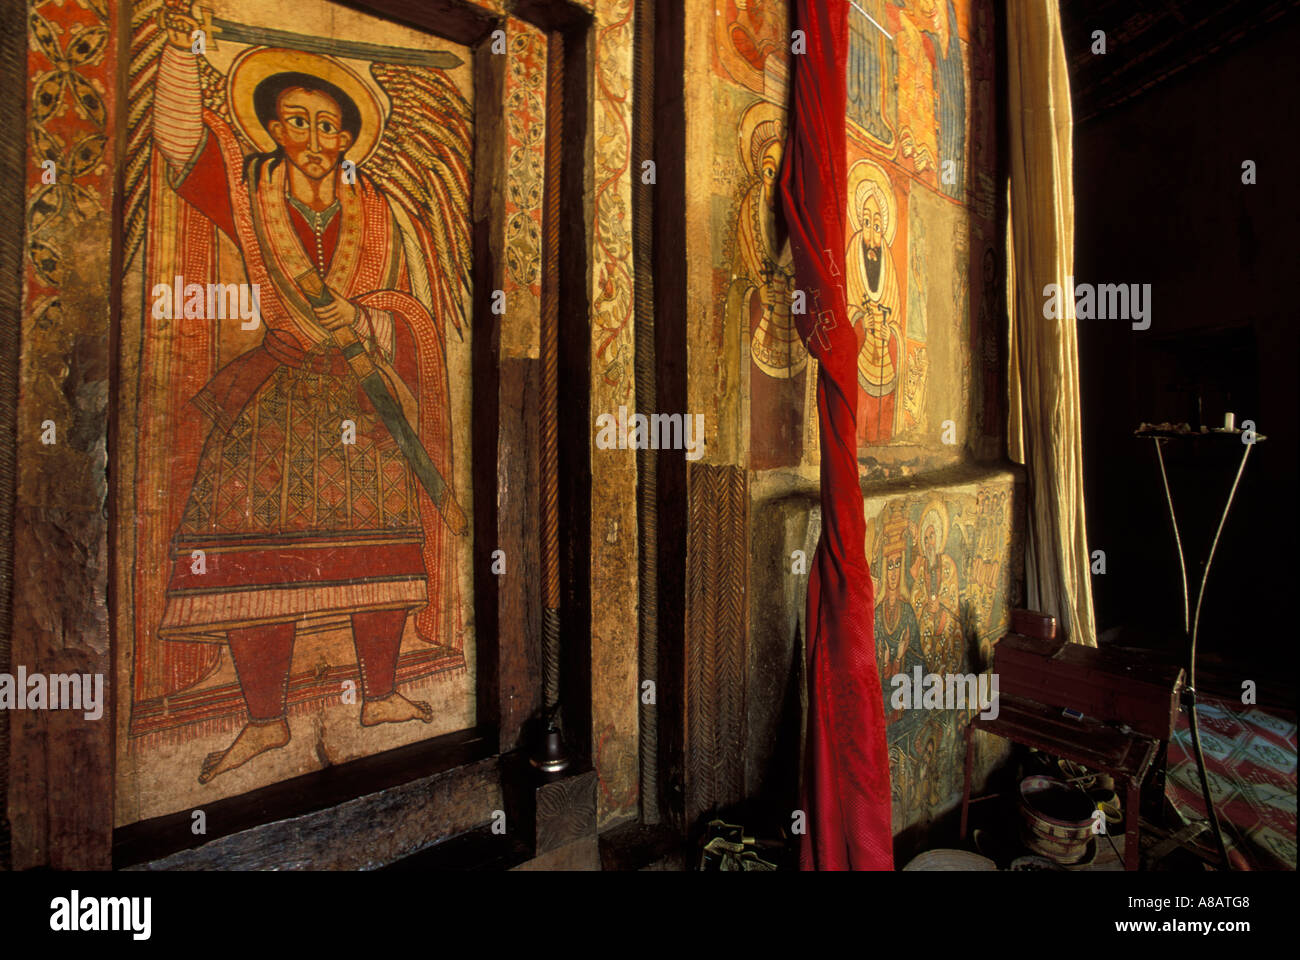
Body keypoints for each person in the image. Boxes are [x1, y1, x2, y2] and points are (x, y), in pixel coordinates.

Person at [150, 11, 464, 784]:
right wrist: (180, 47)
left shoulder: (381, 210)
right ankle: (264, 720)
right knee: (248, 550)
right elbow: (181, 143)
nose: (316, 137)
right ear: (274, 126)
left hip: (362, 393)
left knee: (382, 538)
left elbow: (412, 302)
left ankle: (381, 694)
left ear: (351, 136)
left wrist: (367, 316)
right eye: (298, 120)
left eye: (330, 124)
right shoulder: (249, 191)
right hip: (275, 391)